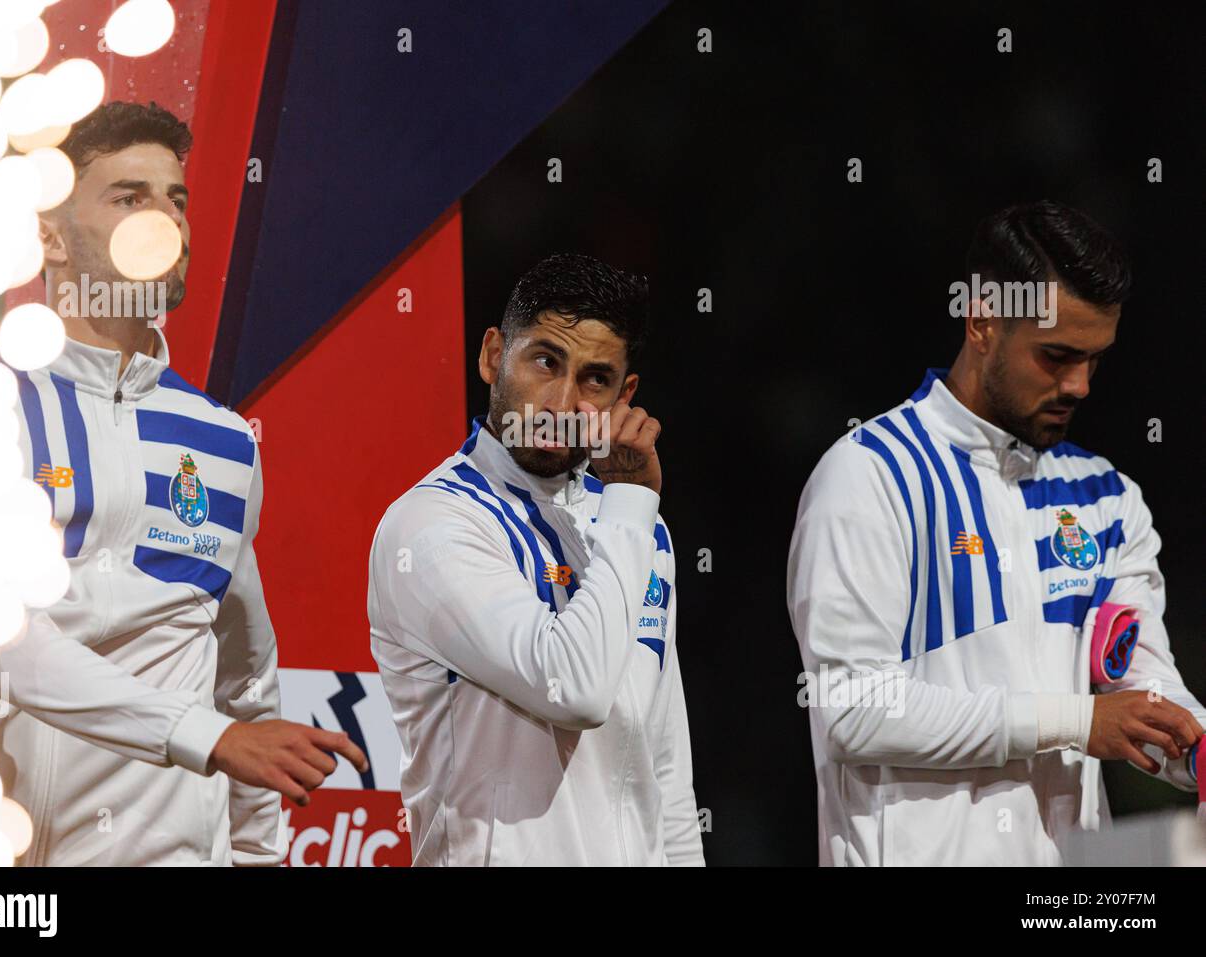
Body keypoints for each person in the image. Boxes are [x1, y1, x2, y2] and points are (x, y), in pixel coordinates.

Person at [0, 101, 367, 866]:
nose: (167, 220)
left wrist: (254, 853)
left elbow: (245, 674)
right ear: (49, 235)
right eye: (129, 197)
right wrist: (212, 740)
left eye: (176, 199)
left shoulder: (223, 438)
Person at [788, 200, 1204, 865]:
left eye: (1095, 359)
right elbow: (852, 711)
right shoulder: (868, 478)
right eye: (1057, 356)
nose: (1080, 384)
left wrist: (1197, 748)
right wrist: (1073, 721)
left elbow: (1142, 691)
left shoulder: (1107, 499)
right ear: (982, 320)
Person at [368, 253, 703, 865]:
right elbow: (573, 688)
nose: (561, 401)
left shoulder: (638, 529)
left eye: (594, 380)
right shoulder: (433, 525)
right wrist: (633, 507)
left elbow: (665, 767)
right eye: (545, 361)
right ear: (494, 355)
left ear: (623, 396)